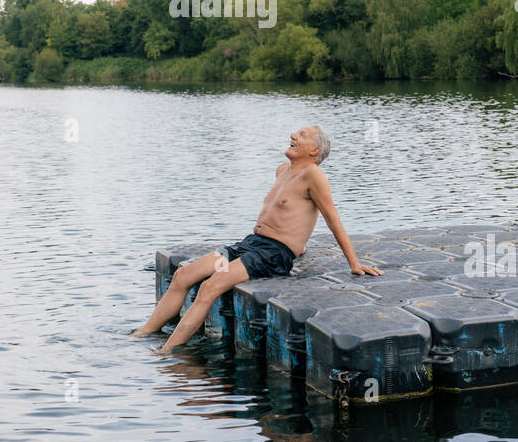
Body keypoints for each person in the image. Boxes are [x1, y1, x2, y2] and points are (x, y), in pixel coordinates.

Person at [134, 125, 382, 352]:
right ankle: (143, 334)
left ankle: (166, 353)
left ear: (315, 150)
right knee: (183, 275)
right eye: (295, 133)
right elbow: (295, 213)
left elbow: (331, 217)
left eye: (302, 136)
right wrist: (302, 242)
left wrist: (353, 263)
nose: (293, 136)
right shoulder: (282, 171)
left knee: (210, 287)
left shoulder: (313, 175)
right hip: (250, 245)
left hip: (271, 255)